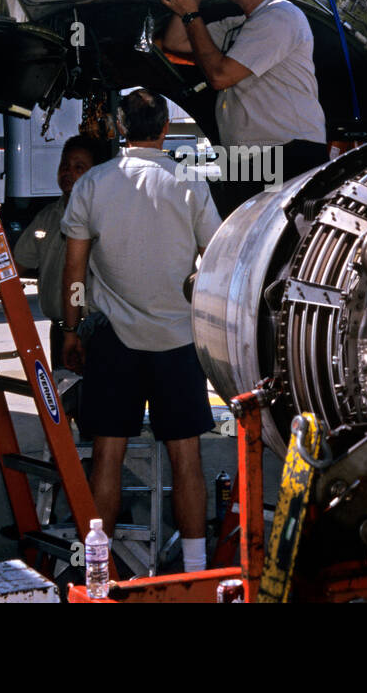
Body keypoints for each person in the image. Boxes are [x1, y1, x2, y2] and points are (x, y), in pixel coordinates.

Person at [60, 89, 221, 572]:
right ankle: (195, 570)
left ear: (119, 127)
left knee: (107, 455)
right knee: (186, 458)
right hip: (178, 339)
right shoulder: (189, 182)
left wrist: (72, 329)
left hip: (113, 340)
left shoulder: (94, 183)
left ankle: (96, 571)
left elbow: (74, 270)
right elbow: (214, 257)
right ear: (166, 128)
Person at [160, 0, 329, 213]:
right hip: (253, 158)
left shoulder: (280, 14)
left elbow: (219, 76)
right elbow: (176, 41)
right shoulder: (240, 26)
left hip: (287, 154)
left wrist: (190, 14)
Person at [12, 135, 105, 370]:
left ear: (95, 173)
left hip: (96, 328)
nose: (68, 173)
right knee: (66, 399)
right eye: (64, 166)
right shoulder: (48, 216)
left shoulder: (106, 218)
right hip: (61, 329)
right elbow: (18, 263)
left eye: (78, 167)